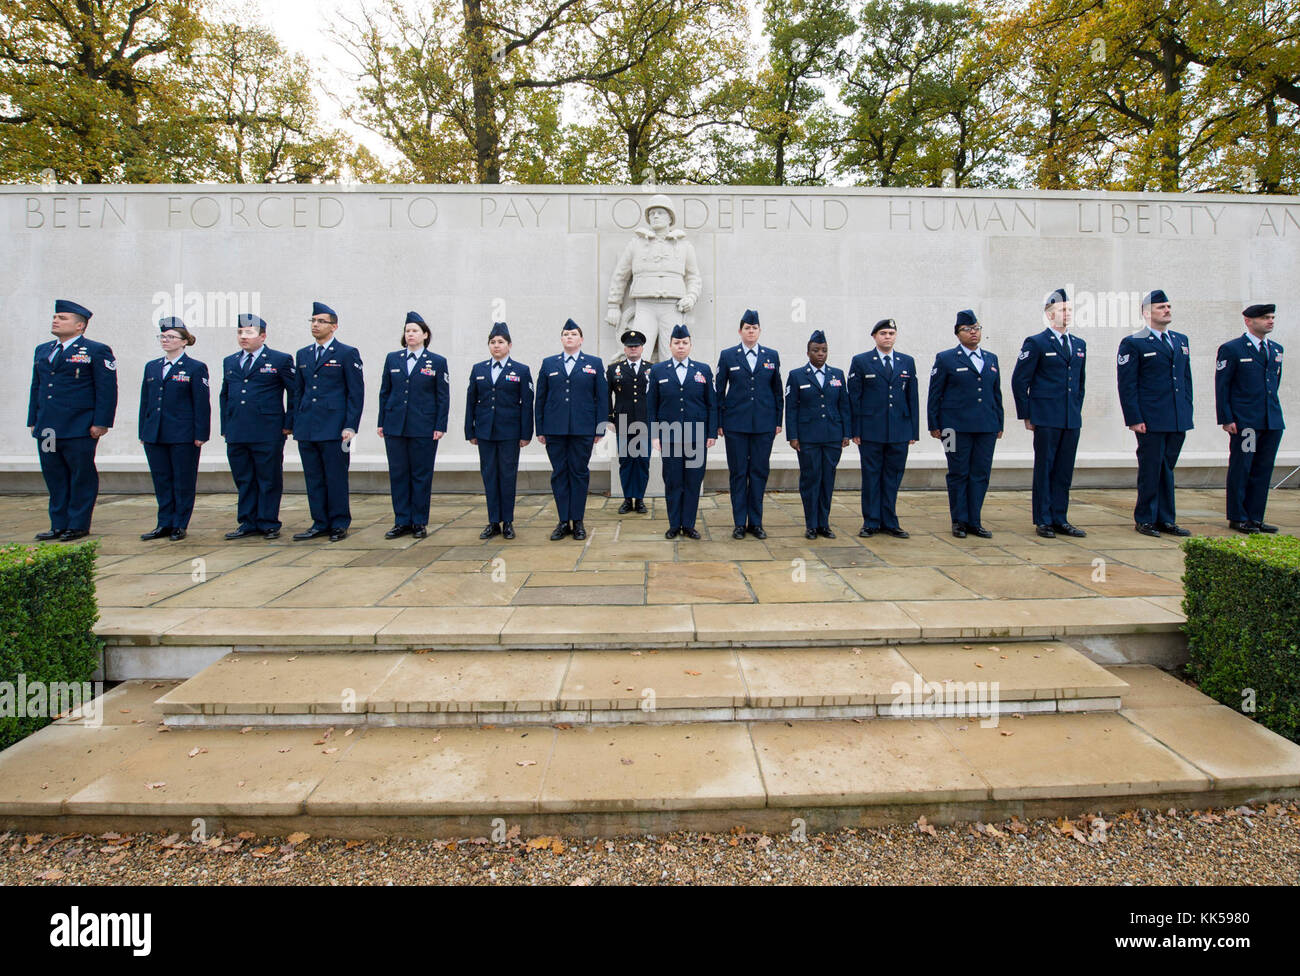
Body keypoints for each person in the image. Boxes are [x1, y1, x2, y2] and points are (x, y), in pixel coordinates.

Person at [28, 299, 118, 542]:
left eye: (63, 317)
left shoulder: (96, 350)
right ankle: (58, 524)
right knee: (53, 474)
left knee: (80, 474)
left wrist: (102, 422)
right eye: (55, 316)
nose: (56, 320)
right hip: (47, 427)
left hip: (79, 426)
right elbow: (37, 386)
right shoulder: (43, 350)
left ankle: (77, 524)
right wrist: (33, 420)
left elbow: (106, 389)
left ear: (80, 326)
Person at [1010, 289, 1088, 539]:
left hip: (1069, 417)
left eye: (1069, 310)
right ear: (1049, 314)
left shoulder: (1078, 344)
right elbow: (1020, 380)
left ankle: (1060, 517)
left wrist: (1076, 408)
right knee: (1045, 468)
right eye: (1063, 310)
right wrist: (1027, 414)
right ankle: (1043, 518)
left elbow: (1080, 383)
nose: (1067, 314)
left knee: (1064, 470)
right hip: (1045, 415)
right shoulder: (1037, 342)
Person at [1117, 289, 1193, 538]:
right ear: (1147, 313)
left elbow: (1185, 380)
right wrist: (1134, 418)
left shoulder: (1180, 340)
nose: (1167, 310)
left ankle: (1166, 519)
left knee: (1167, 469)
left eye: (1169, 306)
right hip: (1150, 418)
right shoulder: (1134, 342)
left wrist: (1187, 410)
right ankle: (1146, 518)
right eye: (1162, 307)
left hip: (1176, 417)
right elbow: (1127, 384)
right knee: (1151, 468)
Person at [928, 309, 1004, 539]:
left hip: (986, 426)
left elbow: (995, 393)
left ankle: (974, 520)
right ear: (957, 333)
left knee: (980, 473)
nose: (973, 333)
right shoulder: (946, 358)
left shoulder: (990, 359)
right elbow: (935, 394)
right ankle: (959, 520)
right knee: (958, 472)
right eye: (967, 329)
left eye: (976, 328)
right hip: (953, 428)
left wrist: (999, 422)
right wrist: (934, 424)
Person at [219, 313, 295, 540]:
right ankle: (247, 521)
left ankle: (268, 521)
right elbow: (225, 395)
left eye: (249, 333)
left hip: (267, 429)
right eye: (240, 332)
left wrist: (288, 423)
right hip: (237, 430)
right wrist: (226, 425)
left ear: (262, 336)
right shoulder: (230, 361)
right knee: (243, 477)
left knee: (268, 477)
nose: (243, 337)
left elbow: (294, 392)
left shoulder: (279, 360)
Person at [292, 301, 363, 542]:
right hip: (307, 427)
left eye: (321, 321)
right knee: (313, 477)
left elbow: (355, 392)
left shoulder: (346, 353)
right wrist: (295, 422)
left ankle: (339, 523)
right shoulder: (303, 354)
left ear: (334, 326)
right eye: (312, 321)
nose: (315, 325)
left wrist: (350, 425)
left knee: (335, 476)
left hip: (335, 428)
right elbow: (298, 392)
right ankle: (319, 522)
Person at [378, 311, 449, 540]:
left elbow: (442, 396)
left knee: (421, 474)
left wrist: (440, 425)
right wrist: (381, 422)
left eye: (415, 330)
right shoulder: (393, 359)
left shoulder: (437, 361)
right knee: (398, 474)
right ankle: (401, 521)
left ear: (425, 335)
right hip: (395, 426)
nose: (410, 334)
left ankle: (419, 521)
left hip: (423, 426)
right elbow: (385, 392)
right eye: (407, 330)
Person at [605, 194, 702, 362]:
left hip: (673, 307)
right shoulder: (636, 244)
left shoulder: (684, 246)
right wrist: (613, 305)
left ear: (670, 217)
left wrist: (691, 297)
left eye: (660, 212)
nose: (655, 216)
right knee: (638, 356)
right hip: (644, 307)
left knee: (672, 358)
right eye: (652, 213)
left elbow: (694, 277)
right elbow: (620, 276)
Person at [138, 318, 210, 541]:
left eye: (170, 337)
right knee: (162, 479)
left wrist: (201, 434)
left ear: (184, 341)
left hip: (182, 434)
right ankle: (164, 522)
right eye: (162, 337)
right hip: (155, 433)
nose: (165, 341)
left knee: (182, 479)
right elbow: (145, 401)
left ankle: (180, 523)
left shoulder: (195, 367)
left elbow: (201, 403)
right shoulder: (152, 366)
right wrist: (143, 430)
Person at [1215, 303, 1284, 534]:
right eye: (1265, 317)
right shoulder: (1233, 349)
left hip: (1271, 421)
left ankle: (1255, 517)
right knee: (1242, 467)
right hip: (1247, 424)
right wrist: (1227, 418)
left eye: (1272, 317)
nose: (1270, 321)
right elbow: (1222, 386)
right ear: (1248, 320)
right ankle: (1238, 516)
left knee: (1263, 469)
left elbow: (1274, 384)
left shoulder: (1275, 349)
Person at [536, 319, 607, 541]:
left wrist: (600, 428)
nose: (569, 337)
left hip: (583, 429)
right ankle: (562, 520)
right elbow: (541, 398)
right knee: (559, 474)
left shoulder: (594, 363)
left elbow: (602, 398)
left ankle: (577, 521)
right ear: (561, 338)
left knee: (578, 473)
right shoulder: (549, 364)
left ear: (581, 339)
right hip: (554, 430)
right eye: (566, 334)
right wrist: (540, 428)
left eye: (574, 334)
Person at [716, 308, 783, 539]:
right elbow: (719, 391)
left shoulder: (771, 356)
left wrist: (778, 420)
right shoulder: (728, 356)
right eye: (747, 328)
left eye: (754, 328)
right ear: (740, 331)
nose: (751, 332)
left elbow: (777, 391)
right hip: (735, 425)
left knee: (759, 472)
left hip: (764, 425)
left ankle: (756, 522)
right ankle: (738, 523)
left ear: (760, 331)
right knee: (738, 473)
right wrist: (719, 421)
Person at [849, 318, 918, 538]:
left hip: (899, 430)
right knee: (871, 476)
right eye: (883, 333)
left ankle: (890, 521)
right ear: (874, 337)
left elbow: (912, 397)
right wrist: (855, 430)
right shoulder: (861, 361)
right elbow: (855, 398)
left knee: (893, 476)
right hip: (871, 430)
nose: (887, 337)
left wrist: (913, 431)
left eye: (891, 333)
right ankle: (871, 521)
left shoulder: (906, 361)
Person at [465, 322, 533, 540]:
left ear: (509, 345)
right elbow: (471, 402)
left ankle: (508, 522)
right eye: (492, 342)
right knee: (489, 476)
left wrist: (525, 434)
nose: (496, 346)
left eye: (500, 342)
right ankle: (493, 521)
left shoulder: (521, 370)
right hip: (485, 432)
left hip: (509, 432)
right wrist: (470, 430)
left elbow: (527, 404)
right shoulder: (479, 369)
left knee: (507, 476)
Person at [647, 324, 716, 539]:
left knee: (693, 481)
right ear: (670, 346)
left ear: (690, 345)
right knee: (673, 480)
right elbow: (651, 406)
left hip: (697, 436)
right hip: (669, 436)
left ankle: (689, 525)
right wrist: (655, 435)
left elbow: (711, 404)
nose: (681, 346)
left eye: (684, 342)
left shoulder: (702, 370)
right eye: (677, 343)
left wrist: (711, 433)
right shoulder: (658, 371)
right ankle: (674, 524)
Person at [785, 330, 851, 539]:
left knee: (827, 480)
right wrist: (793, 436)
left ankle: (824, 523)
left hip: (832, 436)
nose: (820, 354)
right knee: (810, 479)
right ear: (808, 353)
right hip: (808, 438)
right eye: (816, 350)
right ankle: (811, 524)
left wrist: (846, 433)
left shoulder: (837, 375)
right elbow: (792, 408)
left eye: (824, 350)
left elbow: (844, 406)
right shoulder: (797, 376)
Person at [607, 328, 651, 514]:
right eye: (630, 346)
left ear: (642, 348)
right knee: (626, 461)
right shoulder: (613, 369)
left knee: (642, 461)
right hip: (623, 421)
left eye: (637, 346)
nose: (633, 349)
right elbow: (606, 396)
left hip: (645, 422)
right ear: (625, 349)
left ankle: (639, 498)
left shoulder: (652, 369)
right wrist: (609, 418)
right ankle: (627, 499)